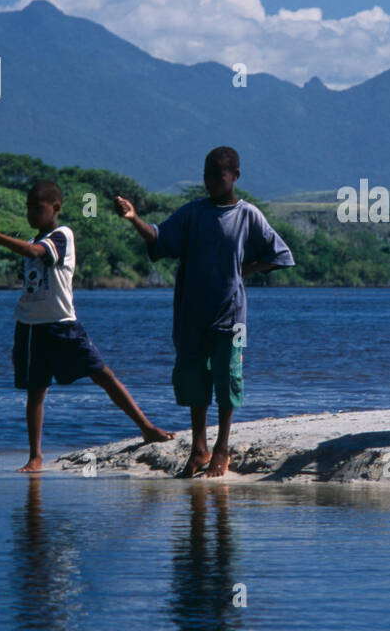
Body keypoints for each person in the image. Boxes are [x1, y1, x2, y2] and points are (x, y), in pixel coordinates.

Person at [0, 181, 171, 472]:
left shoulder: (61, 236)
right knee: (35, 392)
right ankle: (35, 456)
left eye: (38, 208)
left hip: (62, 325)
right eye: (28, 209)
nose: (31, 214)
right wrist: (17, 343)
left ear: (56, 208)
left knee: (103, 375)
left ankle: (146, 427)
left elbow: (36, 252)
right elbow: (30, 291)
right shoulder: (37, 241)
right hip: (30, 328)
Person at [114, 147, 294, 478]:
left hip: (232, 315)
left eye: (218, 176)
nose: (211, 182)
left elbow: (280, 254)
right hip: (191, 314)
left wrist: (245, 270)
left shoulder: (247, 215)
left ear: (235, 176)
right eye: (207, 176)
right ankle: (199, 448)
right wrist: (134, 218)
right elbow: (159, 237)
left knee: (228, 380)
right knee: (194, 381)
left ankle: (222, 449)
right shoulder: (192, 214)